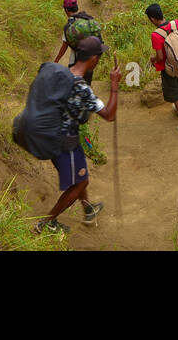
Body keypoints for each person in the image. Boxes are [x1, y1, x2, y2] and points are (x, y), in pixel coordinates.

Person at [33, 37, 119, 234]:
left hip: (49, 135)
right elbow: (110, 115)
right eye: (99, 57)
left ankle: (88, 208)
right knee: (81, 182)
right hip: (65, 141)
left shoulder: (61, 75)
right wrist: (114, 84)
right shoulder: (81, 88)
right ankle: (46, 223)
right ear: (93, 59)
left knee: (79, 177)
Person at [147, 3, 178, 135]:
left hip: (169, 69)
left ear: (151, 19)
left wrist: (153, 59)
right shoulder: (177, 24)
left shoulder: (156, 35)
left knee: (174, 96)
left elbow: (160, 57)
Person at [54, 0, 101, 84]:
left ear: (66, 10)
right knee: (87, 86)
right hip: (89, 60)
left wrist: (56, 60)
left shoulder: (69, 26)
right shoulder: (85, 19)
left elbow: (65, 46)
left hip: (76, 62)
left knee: (74, 87)